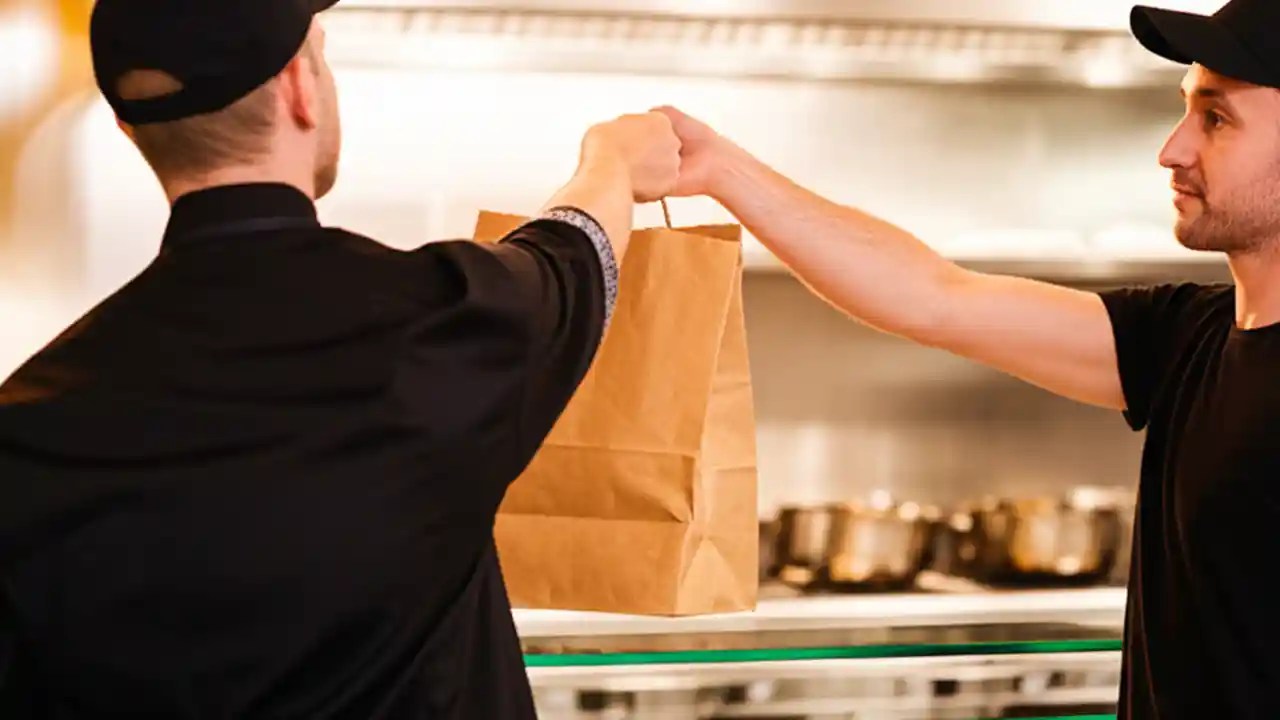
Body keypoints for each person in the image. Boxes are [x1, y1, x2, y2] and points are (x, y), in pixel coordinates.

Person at [0, 0, 681, 717]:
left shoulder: (30, 424)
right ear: (299, 86)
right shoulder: (436, 324)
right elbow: (570, 253)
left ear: (128, 126)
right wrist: (612, 160)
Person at [658, 0, 1280, 717]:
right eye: (1184, 111)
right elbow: (932, 298)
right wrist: (723, 170)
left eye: (1217, 119)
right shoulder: (1186, 339)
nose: (1172, 149)